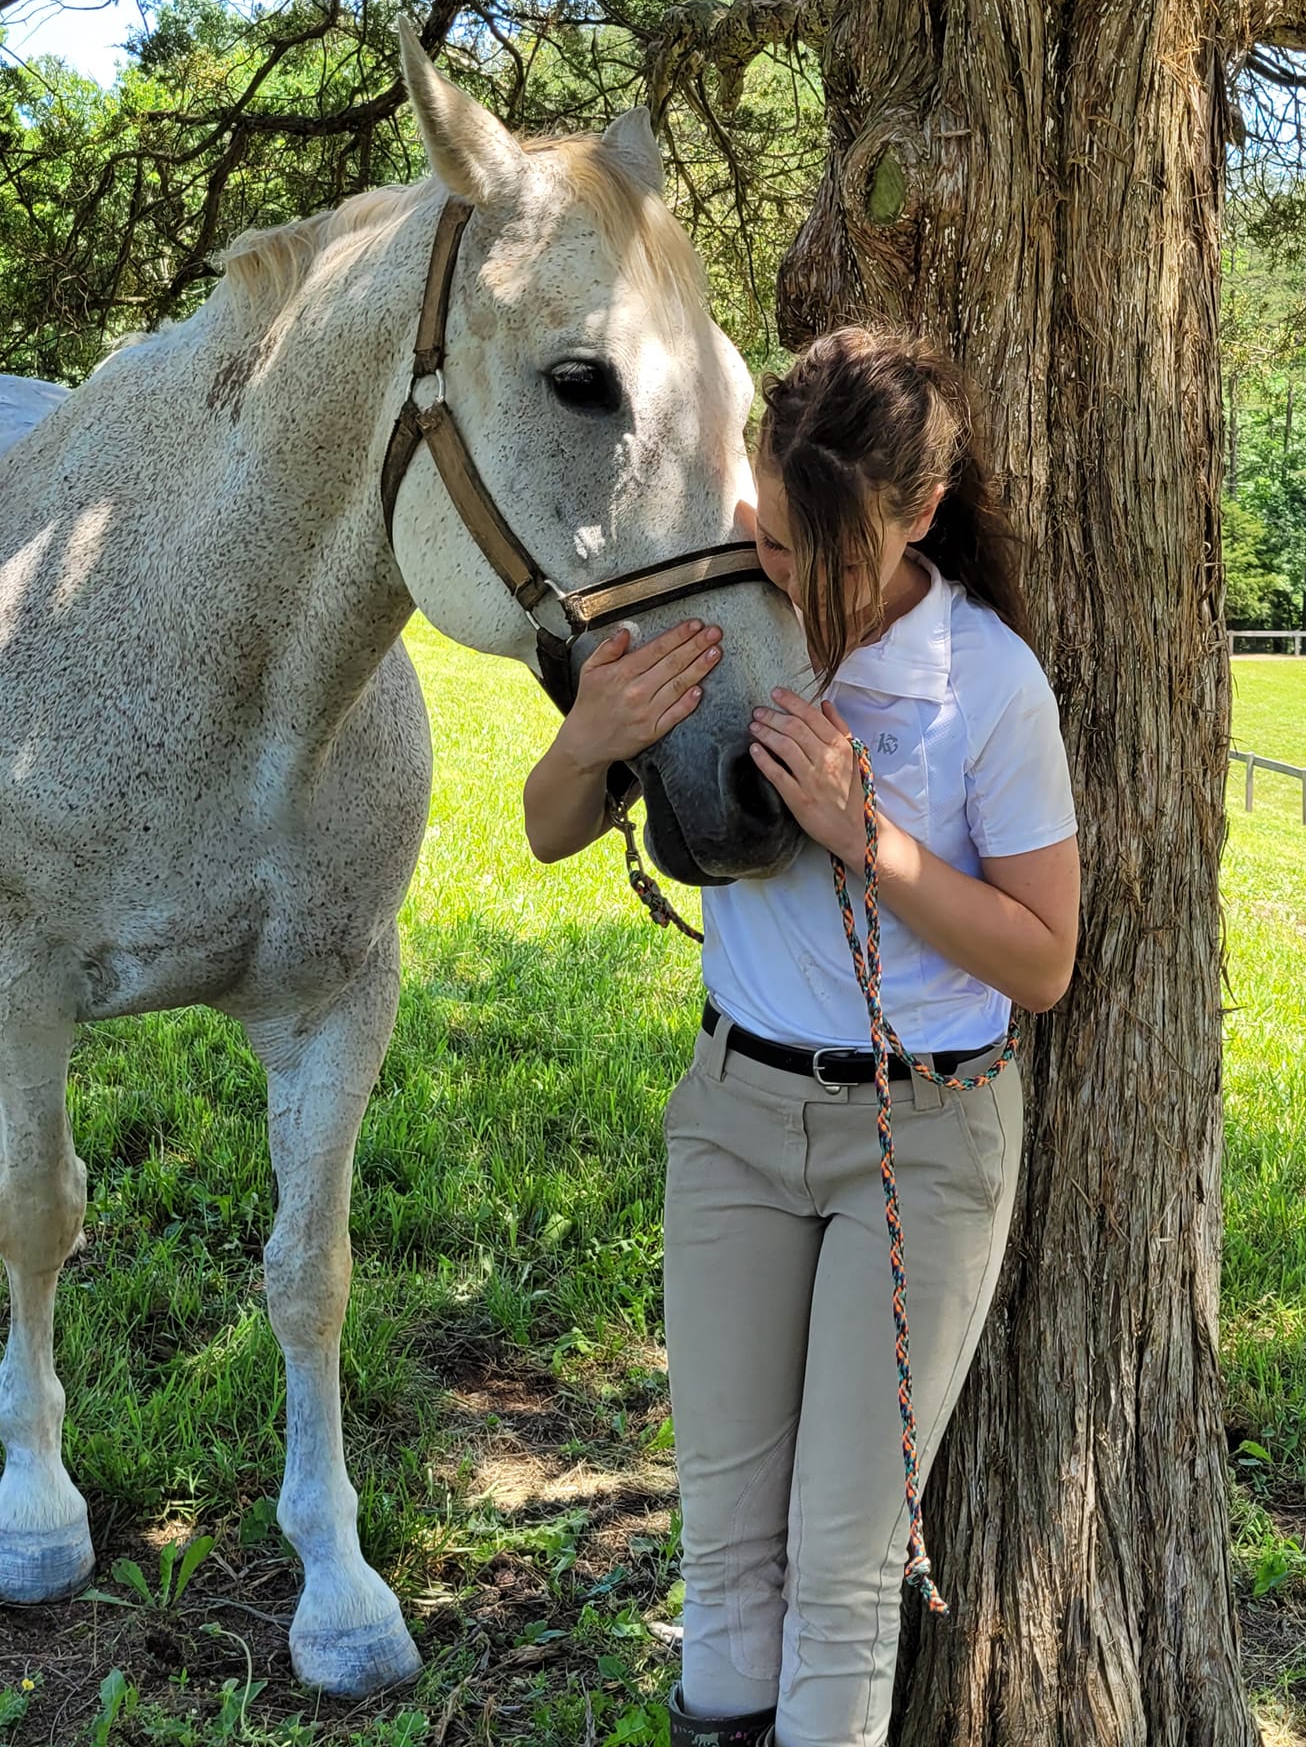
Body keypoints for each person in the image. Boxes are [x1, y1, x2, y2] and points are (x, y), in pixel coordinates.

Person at [524, 327, 1080, 1747]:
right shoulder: (721, 594)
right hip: (736, 1120)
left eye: (824, 558)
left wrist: (864, 835)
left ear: (914, 519)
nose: (791, 582)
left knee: (842, 1565)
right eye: (771, 537)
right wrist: (592, 738)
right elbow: (547, 828)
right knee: (721, 1535)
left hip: (922, 1141)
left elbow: (1045, 957)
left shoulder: (989, 686)